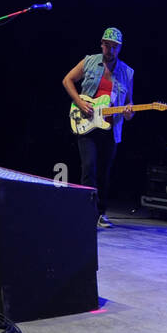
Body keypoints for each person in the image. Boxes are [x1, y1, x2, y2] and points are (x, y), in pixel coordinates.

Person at [62, 27, 134, 228]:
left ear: (119, 48)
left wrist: (129, 112)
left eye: (114, 47)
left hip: (110, 129)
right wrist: (79, 102)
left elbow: (129, 107)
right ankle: (87, 212)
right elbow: (67, 80)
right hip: (87, 124)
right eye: (107, 45)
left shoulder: (127, 73)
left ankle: (101, 213)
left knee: (104, 172)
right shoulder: (89, 61)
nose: (110, 50)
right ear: (101, 44)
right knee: (89, 167)